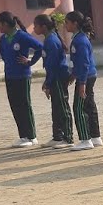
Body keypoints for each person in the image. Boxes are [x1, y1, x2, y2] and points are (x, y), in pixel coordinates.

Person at [0, 11, 43, 148]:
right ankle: (23, 135)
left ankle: (32, 136)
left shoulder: (22, 36)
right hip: (10, 76)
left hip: (22, 76)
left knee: (25, 104)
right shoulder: (3, 39)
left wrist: (29, 62)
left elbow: (39, 48)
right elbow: (3, 53)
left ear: (5, 24)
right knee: (15, 105)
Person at [33, 13, 73, 149]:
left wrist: (49, 82)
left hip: (58, 77)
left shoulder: (52, 41)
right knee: (56, 108)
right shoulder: (49, 39)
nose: (34, 29)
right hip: (53, 76)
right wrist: (47, 81)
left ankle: (68, 138)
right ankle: (58, 136)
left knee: (62, 107)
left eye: (36, 26)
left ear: (43, 27)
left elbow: (54, 65)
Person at [64, 11, 101, 152]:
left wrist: (82, 83)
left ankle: (85, 140)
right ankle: (95, 136)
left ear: (75, 23)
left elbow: (84, 63)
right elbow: (78, 62)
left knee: (78, 108)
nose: (65, 25)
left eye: (67, 22)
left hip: (86, 76)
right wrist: (73, 75)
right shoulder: (79, 38)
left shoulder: (79, 40)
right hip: (87, 75)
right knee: (89, 106)